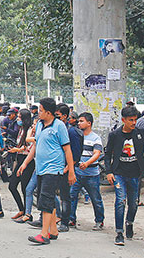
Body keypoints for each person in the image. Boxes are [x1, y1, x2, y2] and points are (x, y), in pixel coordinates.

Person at [16, 97, 75, 245]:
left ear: (48, 112)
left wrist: (71, 171)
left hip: (53, 168)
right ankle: (53, 230)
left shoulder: (59, 126)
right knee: (48, 199)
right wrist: (25, 163)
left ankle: (44, 234)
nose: (38, 113)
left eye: (41, 110)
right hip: (40, 168)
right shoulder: (40, 125)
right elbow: (36, 146)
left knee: (46, 199)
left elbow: (67, 149)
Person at [105, 105, 144, 246]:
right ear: (123, 120)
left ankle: (129, 222)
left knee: (133, 203)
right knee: (120, 200)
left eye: (135, 120)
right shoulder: (115, 135)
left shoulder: (140, 133)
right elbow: (107, 155)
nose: (133, 123)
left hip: (135, 174)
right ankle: (119, 232)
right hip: (119, 173)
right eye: (130, 120)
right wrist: (109, 172)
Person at [68, 112, 105, 230]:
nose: (79, 123)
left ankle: (99, 220)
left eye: (81, 121)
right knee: (72, 196)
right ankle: (71, 219)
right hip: (77, 173)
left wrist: (87, 163)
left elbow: (97, 153)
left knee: (96, 199)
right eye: (78, 121)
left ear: (89, 123)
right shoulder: (76, 136)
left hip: (91, 174)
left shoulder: (95, 138)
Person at [57, 103, 81, 232]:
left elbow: (76, 153)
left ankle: (65, 221)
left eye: (58, 115)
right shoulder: (57, 128)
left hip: (66, 168)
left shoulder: (71, 131)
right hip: (57, 166)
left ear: (64, 116)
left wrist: (68, 168)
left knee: (65, 197)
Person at [8, 109, 35, 222]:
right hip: (19, 159)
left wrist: (17, 149)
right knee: (12, 185)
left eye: (19, 117)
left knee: (25, 188)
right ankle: (22, 209)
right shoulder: (21, 129)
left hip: (27, 160)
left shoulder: (30, 130)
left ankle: (27, 213)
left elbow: (29, 146)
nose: (17, 119)